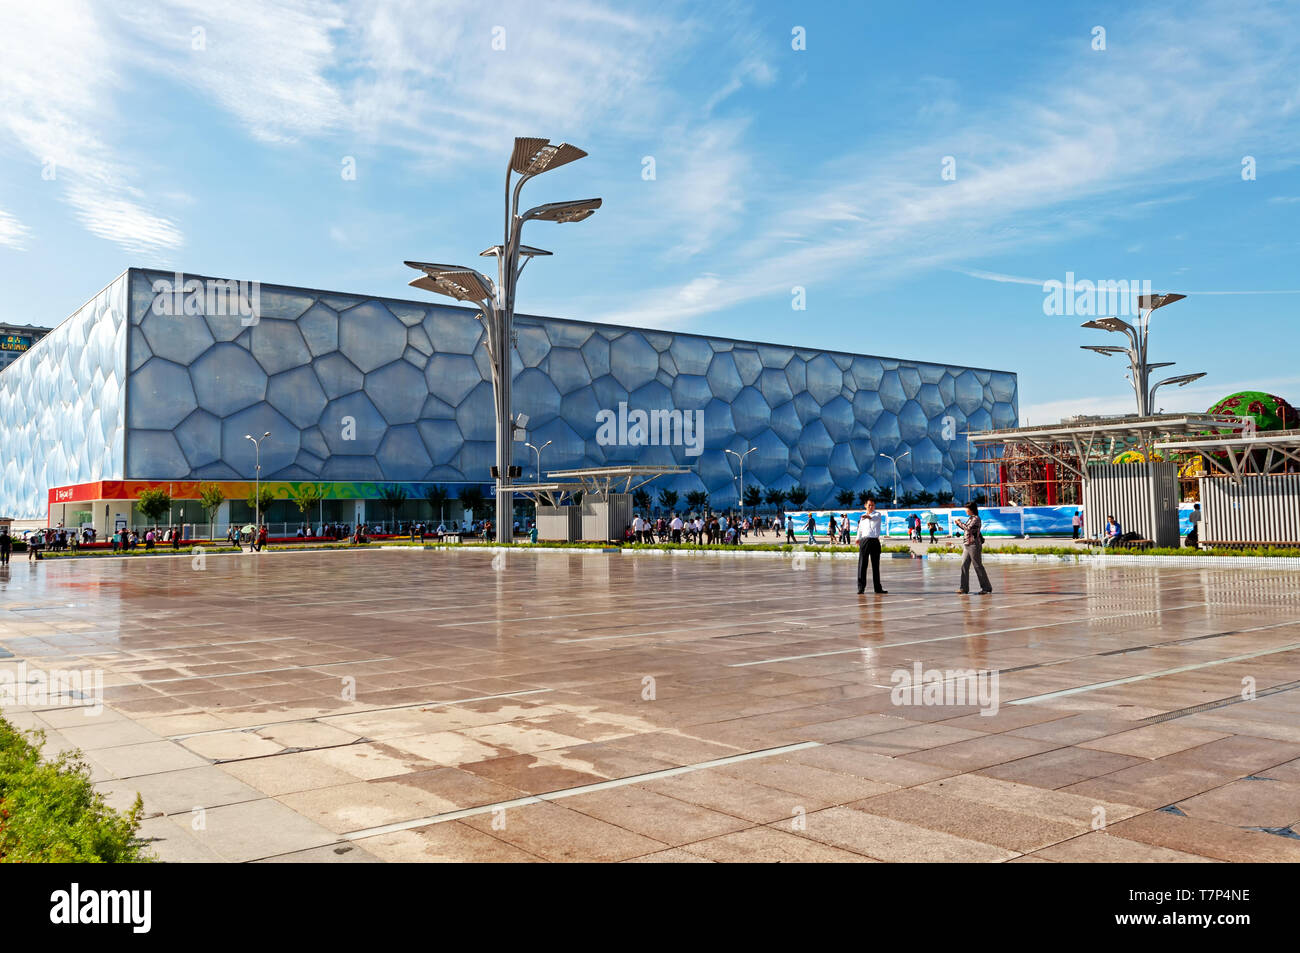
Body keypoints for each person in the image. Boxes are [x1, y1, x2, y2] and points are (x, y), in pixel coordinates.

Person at [954, 503, 992, 595]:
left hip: (974, 545)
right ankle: (964, 588)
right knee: (964, 565)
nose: (965, 511)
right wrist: (959, 525)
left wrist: (959, 523)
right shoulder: (971, 518)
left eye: (966, 509)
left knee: (977, 566)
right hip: (967, 545)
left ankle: (986, 588)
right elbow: (967, 529)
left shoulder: (976, 518)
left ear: (971, 509)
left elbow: (968, 528)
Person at [855, 499, 886, 594]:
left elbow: (874, 518)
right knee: (862, 565)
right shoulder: (862, 518)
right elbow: (860, 529)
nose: (871, 507)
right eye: (869, 505)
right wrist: (857, 538)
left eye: (872, 505)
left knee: (875, 565)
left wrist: (867, 516)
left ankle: (878, 588)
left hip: (874, 541)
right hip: (864, 541)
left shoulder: (877, 514)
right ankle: (861, 588)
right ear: (865, 505)